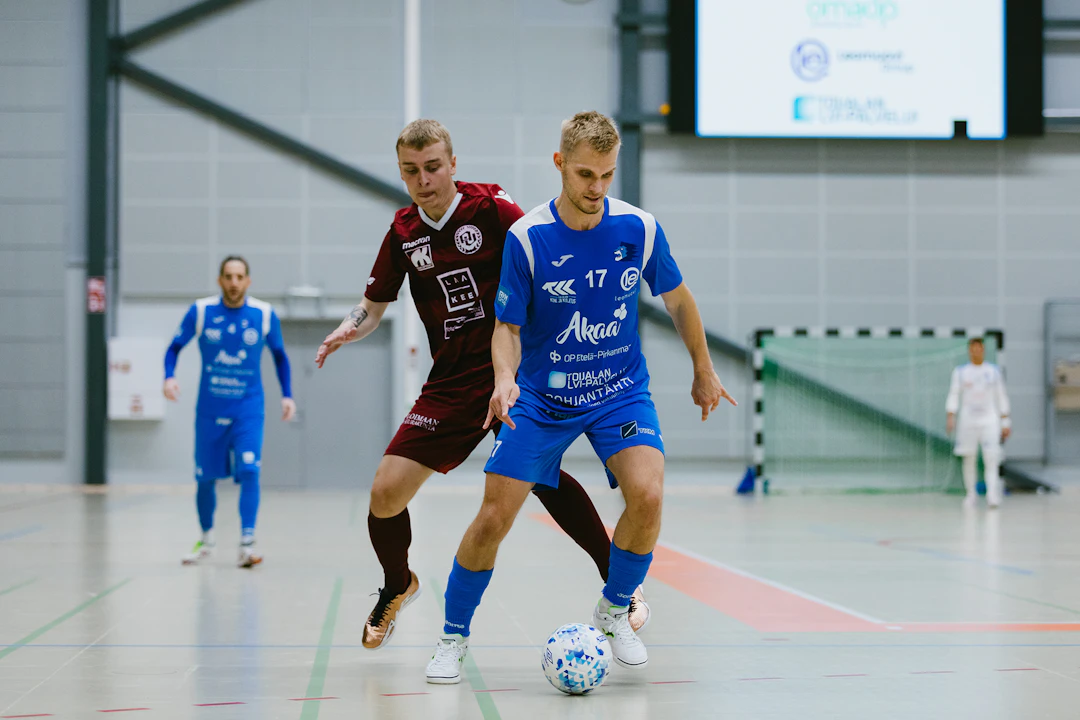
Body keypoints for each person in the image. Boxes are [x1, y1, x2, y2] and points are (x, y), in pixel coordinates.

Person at [425, 111, 737, 685]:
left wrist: (703, 367)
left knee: (647, 492)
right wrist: (503, 380)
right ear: (560, 164)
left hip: (619, 391)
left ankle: (615, 609)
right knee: (494, 517)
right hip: (543, 397)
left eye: (607, 175)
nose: (596, 189)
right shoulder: (529, 238)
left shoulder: (638, 228)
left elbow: (679, 300)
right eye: (586, 174)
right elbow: (507, 327)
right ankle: (452, 636)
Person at [315, 119, 647, 651]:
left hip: (513, 372)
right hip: (450, 383)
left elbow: (548, 242)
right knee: (384, 492)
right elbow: (374, 306)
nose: (423, 179)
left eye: (433, 167)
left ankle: (620, 587)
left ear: (452, 165)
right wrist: (348, 328)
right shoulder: (403, 232)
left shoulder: (493, 209)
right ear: (402, 172)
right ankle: (398, 585)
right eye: (411, 170)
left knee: (544, 480)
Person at [164, 256, 296, 568]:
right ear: (220, 280)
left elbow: (280, 356)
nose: (234, 282)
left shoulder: (263, 314)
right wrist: (169, 376)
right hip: (210, 410)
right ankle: (206, 540)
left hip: (248, 409)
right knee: (205, 478)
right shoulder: (201, 311)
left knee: (250, 471)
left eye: (239, 276)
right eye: (228, 276)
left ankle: (247, 544)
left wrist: (287, 395)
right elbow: (173, 347)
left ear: (248, 281)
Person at [946, 338, 1011, 508]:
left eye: (979, 348)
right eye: (972, 349)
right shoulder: (961, 372)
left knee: (992, 458)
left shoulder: (993, 371)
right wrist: (950, 416)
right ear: (969, 351)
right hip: (968, 421)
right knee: (969, 458)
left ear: (983, 350)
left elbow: (1001, 397)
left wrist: (1006, 422)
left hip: (989, 420)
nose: (976, 352)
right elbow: (954, 394)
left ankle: (992, 495)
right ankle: (971, 495)